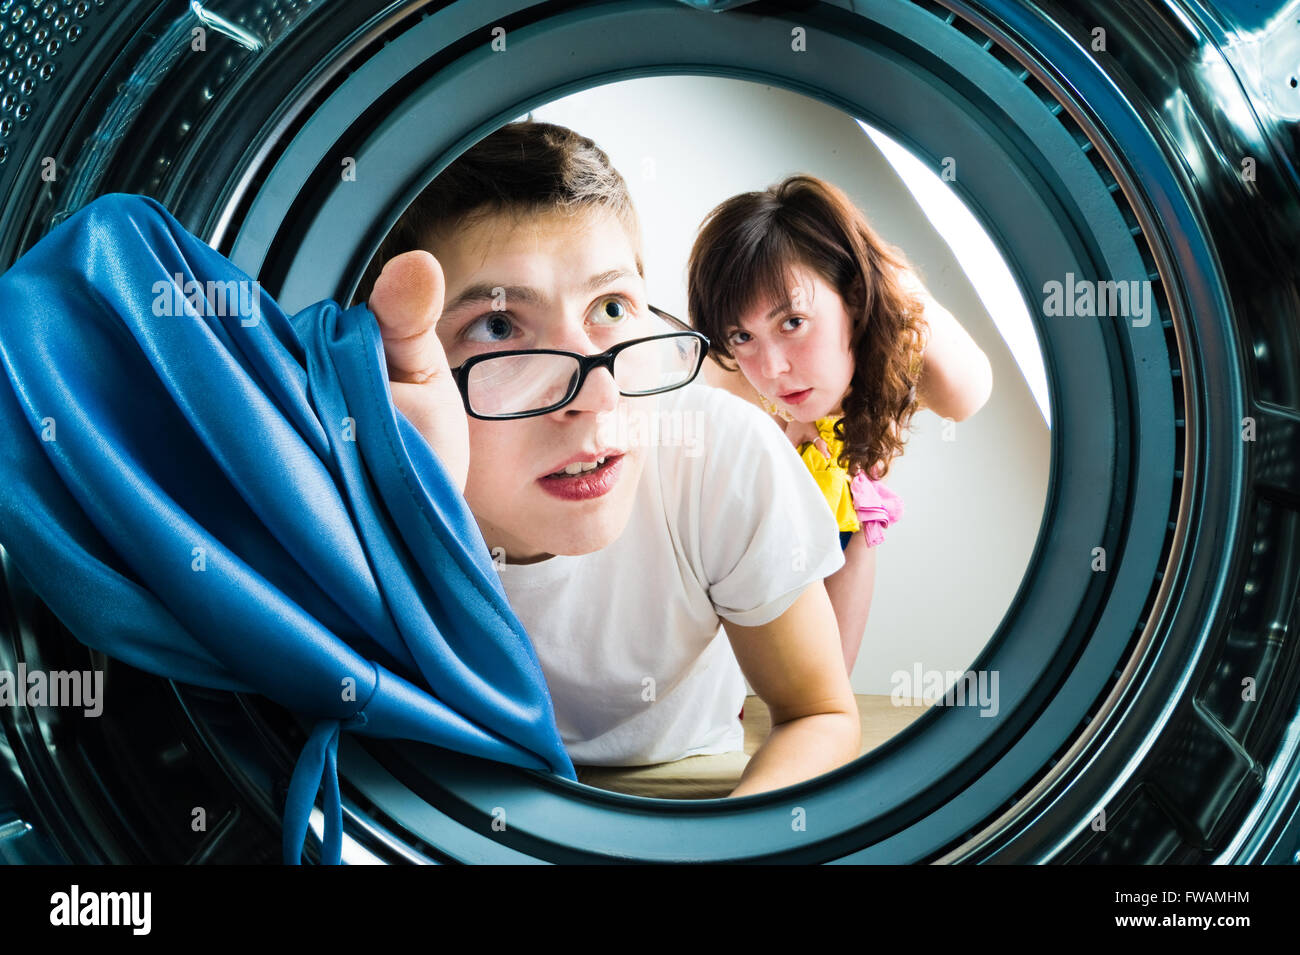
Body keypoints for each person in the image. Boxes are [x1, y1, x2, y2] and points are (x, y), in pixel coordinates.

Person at [357, 122, 861, 799]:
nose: (598, 395)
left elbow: (819, 713)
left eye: (611, 306)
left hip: (686, 775)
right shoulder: (356, 491)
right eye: (499, 327)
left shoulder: (720, 455)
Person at [687, 175, 993, 675]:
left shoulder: (914, 332)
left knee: (857, 497)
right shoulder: (724, 382)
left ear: (854, 296)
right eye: (742, 334)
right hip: (724, 559)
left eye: (792, 322)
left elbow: (968, 397)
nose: (773, 368)